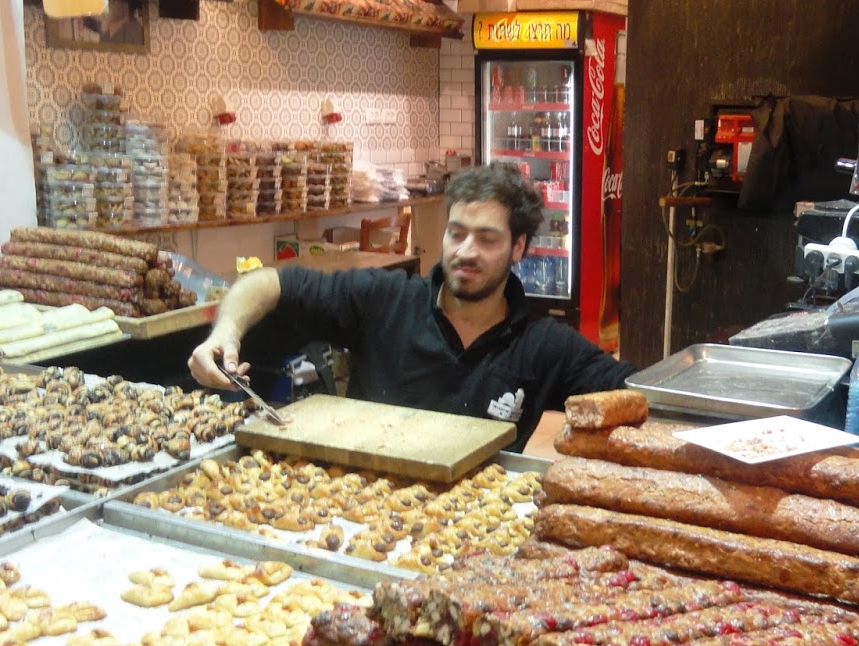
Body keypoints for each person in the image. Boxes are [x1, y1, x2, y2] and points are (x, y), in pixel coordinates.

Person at [189, 163, 636, 449]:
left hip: (480, 523)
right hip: (364, 506)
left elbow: (635, 392)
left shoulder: (544, 346)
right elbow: (270, 284)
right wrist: (224, 334)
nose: (466, 251)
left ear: (518, 248)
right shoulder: (386, 301)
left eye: (487, 239)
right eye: (456, 233)